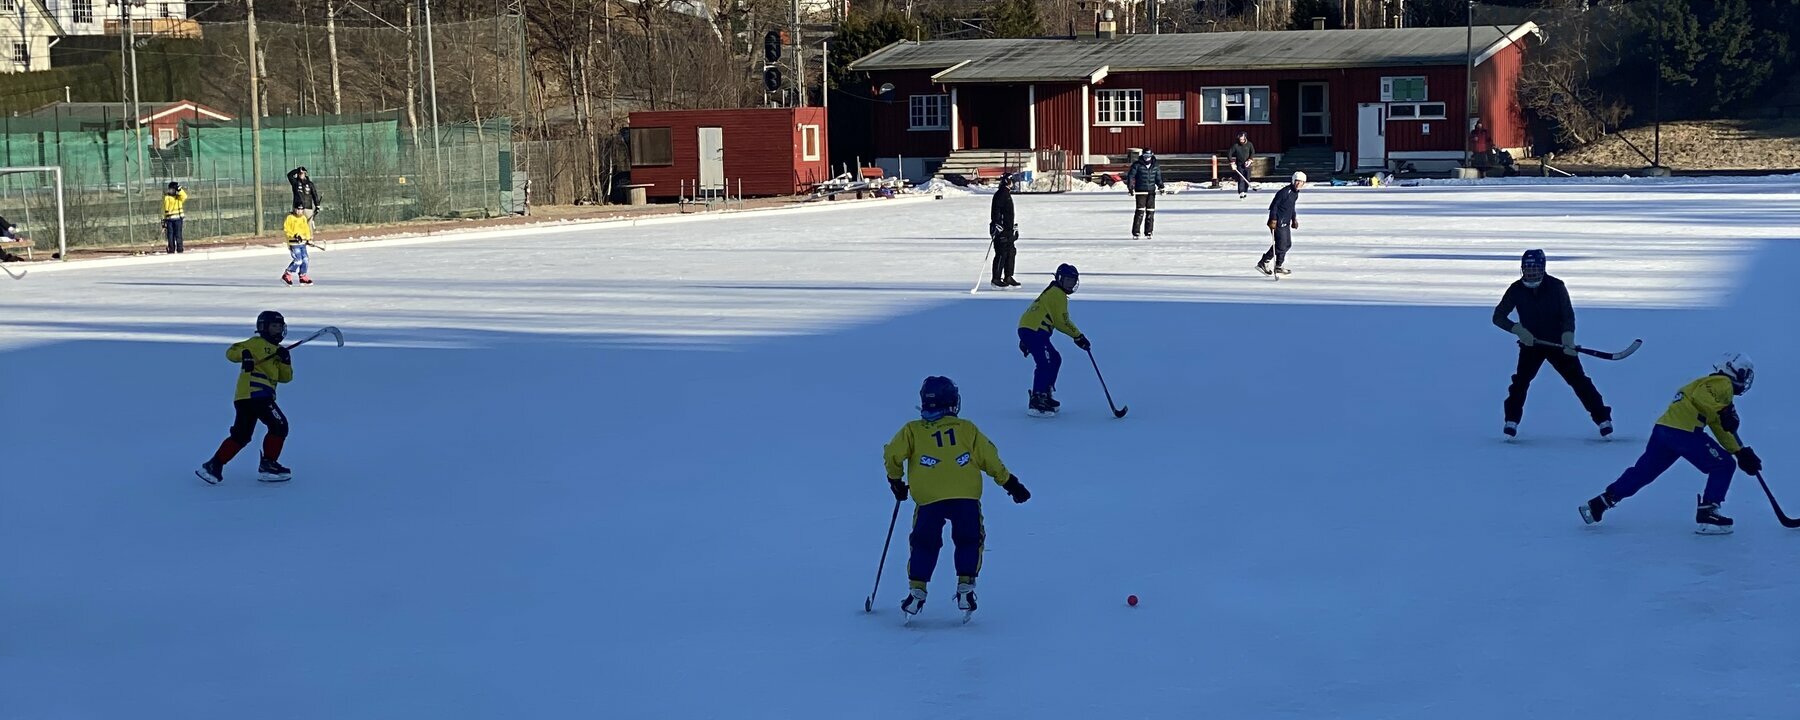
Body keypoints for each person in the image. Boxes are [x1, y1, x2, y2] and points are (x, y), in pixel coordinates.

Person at [884, 376, 1030, 619]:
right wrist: (1010, 483)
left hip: (929, 499)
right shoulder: (966, 429)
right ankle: (965, 586)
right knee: (970, 540)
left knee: (923, 542)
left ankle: (917, 591)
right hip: (965, 498)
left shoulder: (912, 430)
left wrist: (895, 480)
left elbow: (893, 454)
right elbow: (989, 458)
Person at [1580, 354, 1760, 534]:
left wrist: (1739, 451)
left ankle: (1601, 502)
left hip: (1664, 430)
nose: (1745, 380)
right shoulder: (1722, 383)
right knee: (1724, 464)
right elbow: (1702, 397)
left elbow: (1719, 426)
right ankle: (1708, 512)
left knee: (1643, 472)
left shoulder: (1709, 389)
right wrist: (1724, 411)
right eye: (1743, 374)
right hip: (1684, 432)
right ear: (1732, 370)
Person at [1492, 249, 1612, 438]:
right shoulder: (1516, 289)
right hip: (1531, 345)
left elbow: (1567, 315)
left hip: (1559, 344)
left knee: (1579, 381)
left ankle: (1603, 419)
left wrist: (1568, 337)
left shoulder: (1556, 286)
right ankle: (1511, 421)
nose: (1531, 272)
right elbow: (1498, 317)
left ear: (1543, 268)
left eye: (1535, 268)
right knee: (1520, 383)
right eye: (1527, 268)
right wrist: (1518, 330)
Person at [196, 311, 296, 485]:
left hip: (247, 398)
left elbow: (285, 378)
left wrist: (285, 360)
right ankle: (268, 465)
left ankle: (213, 465)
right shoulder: (256, 343)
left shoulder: (279, 351)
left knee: (241, 435)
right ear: (263, 327)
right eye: (274, 326)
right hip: (256, 394)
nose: (278, 330)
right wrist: (246, 354)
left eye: (280, 326)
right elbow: (231, 352)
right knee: (279, 426)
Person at [1017, 263, 1087, 416]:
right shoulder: (1057, 294)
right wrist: (1078, 336)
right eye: (1068, 280)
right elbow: (1061, 321)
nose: (1071, 284)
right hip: (1034, 331)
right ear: (1060, 279)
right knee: (1045, 362)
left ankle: (1046, 392)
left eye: (1073, 281)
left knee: (1054, 359)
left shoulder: (1054, 292)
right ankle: (1038, 397)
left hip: (1033, 330)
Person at [1257, 172, 1305, 276]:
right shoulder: (1284, 192)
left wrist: (1294, 219)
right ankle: (1264, 262)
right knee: (1281, 245)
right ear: (1293, 181)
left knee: (1287, 244)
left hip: (1286, 222)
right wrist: (1273, 219)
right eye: (1297, 181)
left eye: (1301, 182)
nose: (1299, 184)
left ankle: (1278, 266)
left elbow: (1291, 207)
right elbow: (1274, 206)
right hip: (1277, 222)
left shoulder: (1295, 193)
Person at [1122, 149, 1165, 239]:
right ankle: (1136, 232)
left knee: (1150, 212)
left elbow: (1158, 178)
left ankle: (1149, 231)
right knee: (1140, 211)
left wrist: (1161, 186)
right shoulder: (1137, 165)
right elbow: (1131, 176)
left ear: (1151, 155)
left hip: (1151, 192)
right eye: (1145, 156)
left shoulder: (1155, 165)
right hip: (1140, 191)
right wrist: (1130, 188)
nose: (1147, 158)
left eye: (1148, 156)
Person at [989, 173, 1019, 288]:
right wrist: (996, 224)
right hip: (1001, 230)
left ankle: (1008, 276)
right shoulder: (1001, 194)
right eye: (1011, 181)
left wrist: (1012, 227)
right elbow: (996, 211)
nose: (1013, 183)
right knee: (1001, 253)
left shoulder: (1007, 193)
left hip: (1008, 229)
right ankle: (996, 278)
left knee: (1011, 252)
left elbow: (1008, 214)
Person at [282, 207, 314, 286]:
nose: (299, 211)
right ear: (294, 209)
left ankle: (303, 276)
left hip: (302, 243)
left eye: (301, 209)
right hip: (294, 244)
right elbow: (286, 230)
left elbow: (306, 229)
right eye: (298, 209)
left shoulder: (303, 218)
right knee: (298, 261)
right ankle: (287, 274)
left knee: (305, 260)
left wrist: (308, 239)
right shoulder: (290, 218)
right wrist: (294, 235)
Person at [162, 181, 188, 254]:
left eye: (173, 190)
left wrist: (180, 189)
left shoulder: (179, 197)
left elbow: (185, 196)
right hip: (169, 220)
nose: (171, 191)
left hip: (178, 219)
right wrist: (163, 220)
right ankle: (171, 249)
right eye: (170, 189)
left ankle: (180, 249)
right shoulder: (167, 198)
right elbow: (163, 209)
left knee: (178, 235)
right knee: (170, 235)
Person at [1227, 132, 1255, 198]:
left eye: (1242, 139)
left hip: (1247, 164)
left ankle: (1245, 191)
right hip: (1239, 164)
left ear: (1245, 138)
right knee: (1241, 178)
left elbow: (1252, 152)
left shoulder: (1249, 144)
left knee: (1247, 178)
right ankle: (1241, 191)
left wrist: (1250, 160)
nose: (1241, 141)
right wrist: (1232, 162)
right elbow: (1229, 154)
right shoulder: (1236, 145)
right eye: (1240, 139)